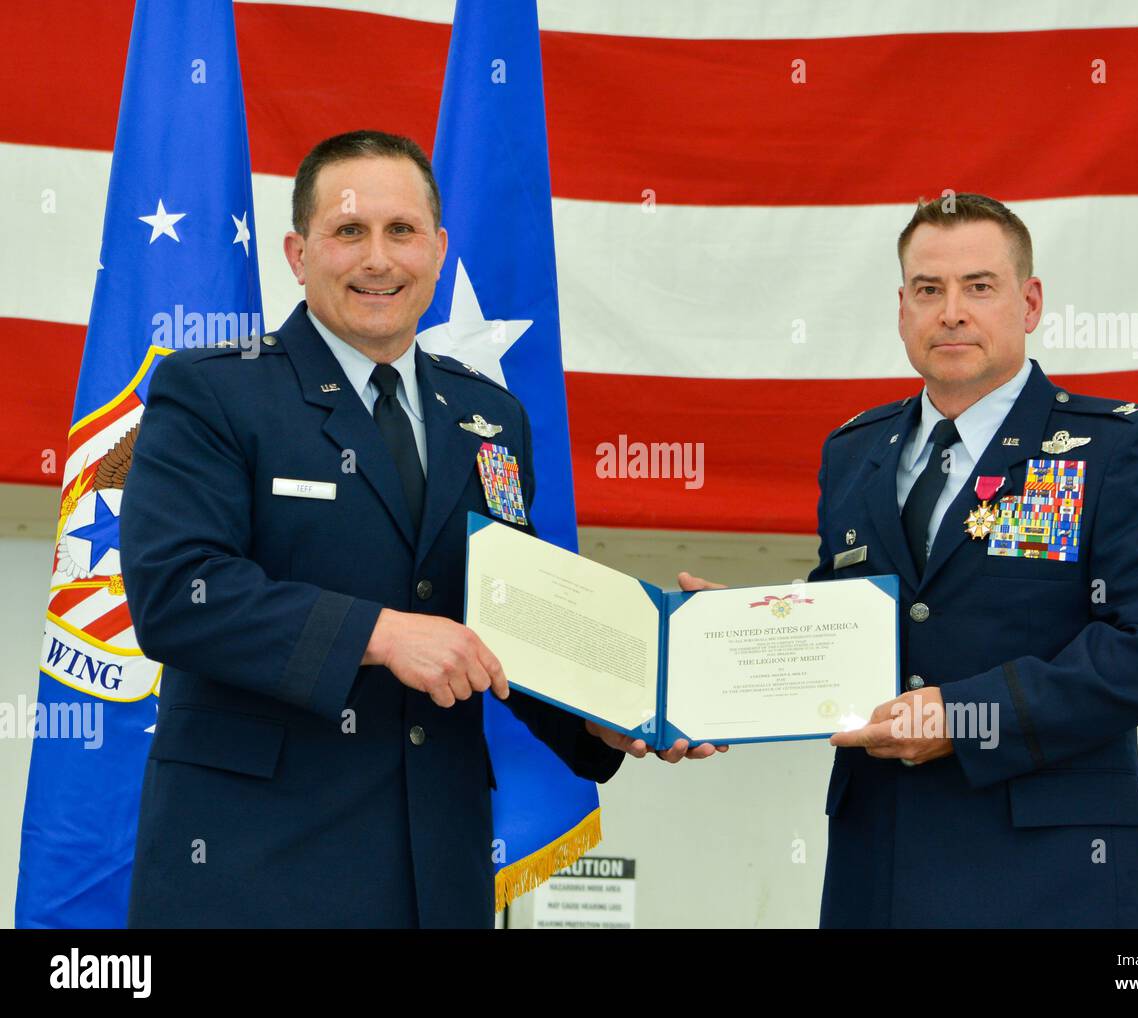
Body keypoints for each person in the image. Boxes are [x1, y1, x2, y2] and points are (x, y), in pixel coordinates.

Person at [120, 130, 718, 929]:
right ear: (298, 254)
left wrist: (604, 708)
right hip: (253, 869)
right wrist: (380, 634)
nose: (378, 259)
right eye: (348, 231)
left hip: (436, 868)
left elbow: (508, 608)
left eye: (401, 232)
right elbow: (177, 594)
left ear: (437, 251)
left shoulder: (489, 416)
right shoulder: (214, 392)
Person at [681, 193, 1138, 927]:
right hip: (879, 867)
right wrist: (733, 642)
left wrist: (964, 717)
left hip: (1053, 877)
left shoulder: (1117, 448)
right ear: (902, 308)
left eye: (979, 286)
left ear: (1029, 303)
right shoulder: (854, 452)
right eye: (929, 290)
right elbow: (850, 620)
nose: (952, 311)